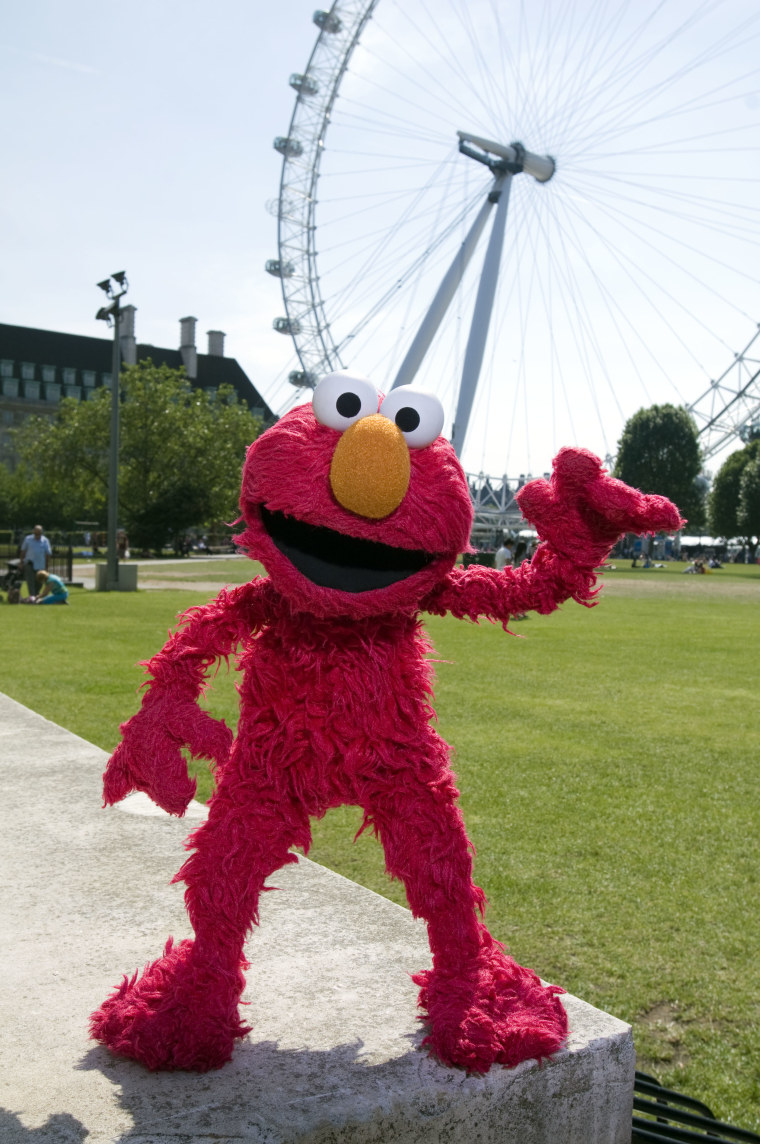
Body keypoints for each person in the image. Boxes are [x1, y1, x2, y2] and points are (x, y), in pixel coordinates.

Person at [19, 525, 51, 598]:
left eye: (39, 533)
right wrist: (21, 562)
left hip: (40, 565)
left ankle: (36, 595)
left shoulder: (45, 541)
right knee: (30, 581)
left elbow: (48, 554)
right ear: (33, 532)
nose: (37, 535)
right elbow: (23, 551)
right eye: (36, 533)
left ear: (41, 533)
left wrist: (47, 566)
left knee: (39, 582)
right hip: (29, 563)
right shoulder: (28, 539)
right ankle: (32, 596)